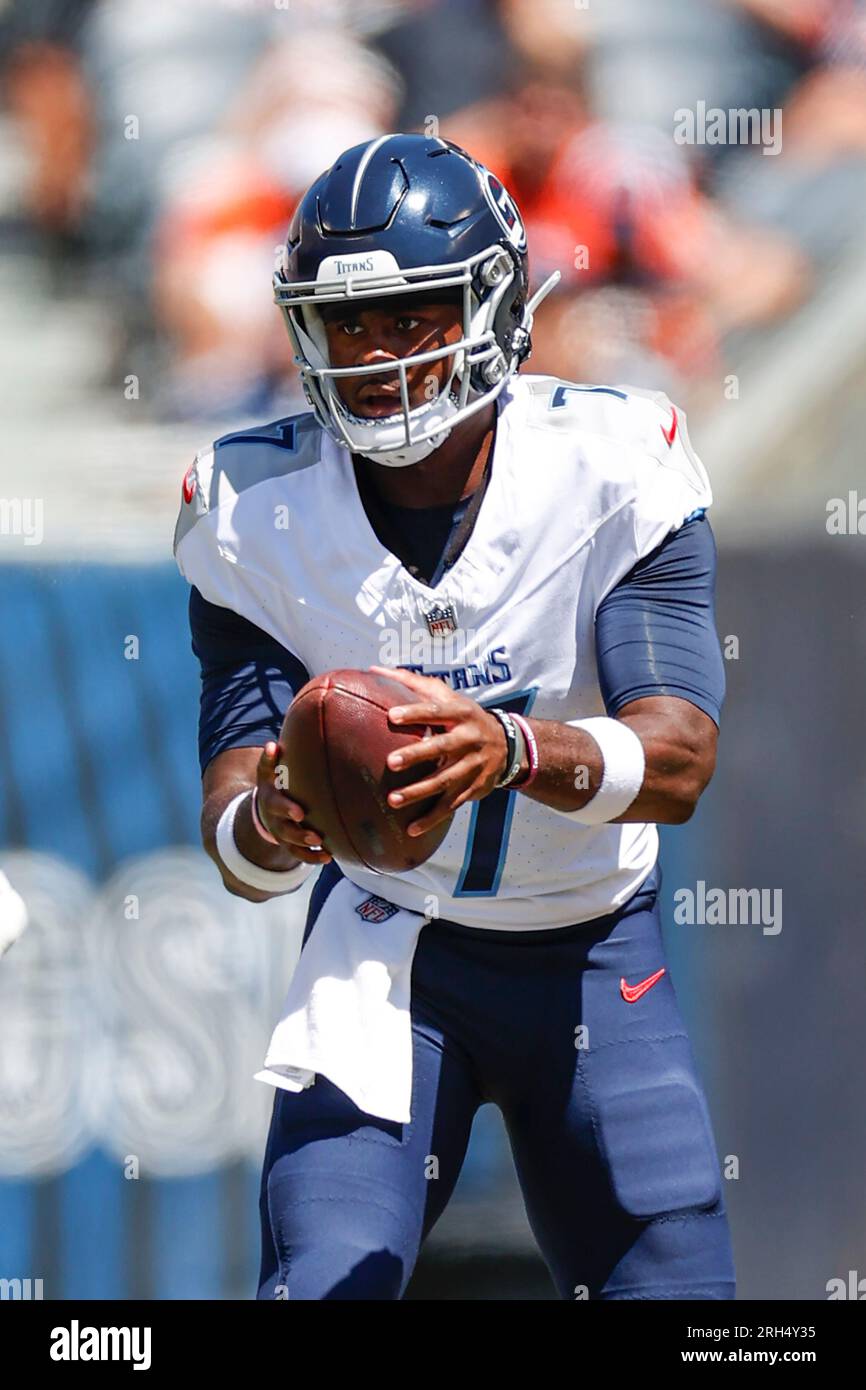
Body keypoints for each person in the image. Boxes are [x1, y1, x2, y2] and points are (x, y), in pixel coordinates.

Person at [173, 133, 735, 1300]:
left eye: (411, 317)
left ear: (490, 306)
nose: (375, 358)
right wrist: (279, 818)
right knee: (323, 1283)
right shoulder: (253, 509)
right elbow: (234, 829)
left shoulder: (609, 465)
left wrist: (513, 748)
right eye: (348, 326)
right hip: (389, 952)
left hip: (592, 946)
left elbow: (680, 759)